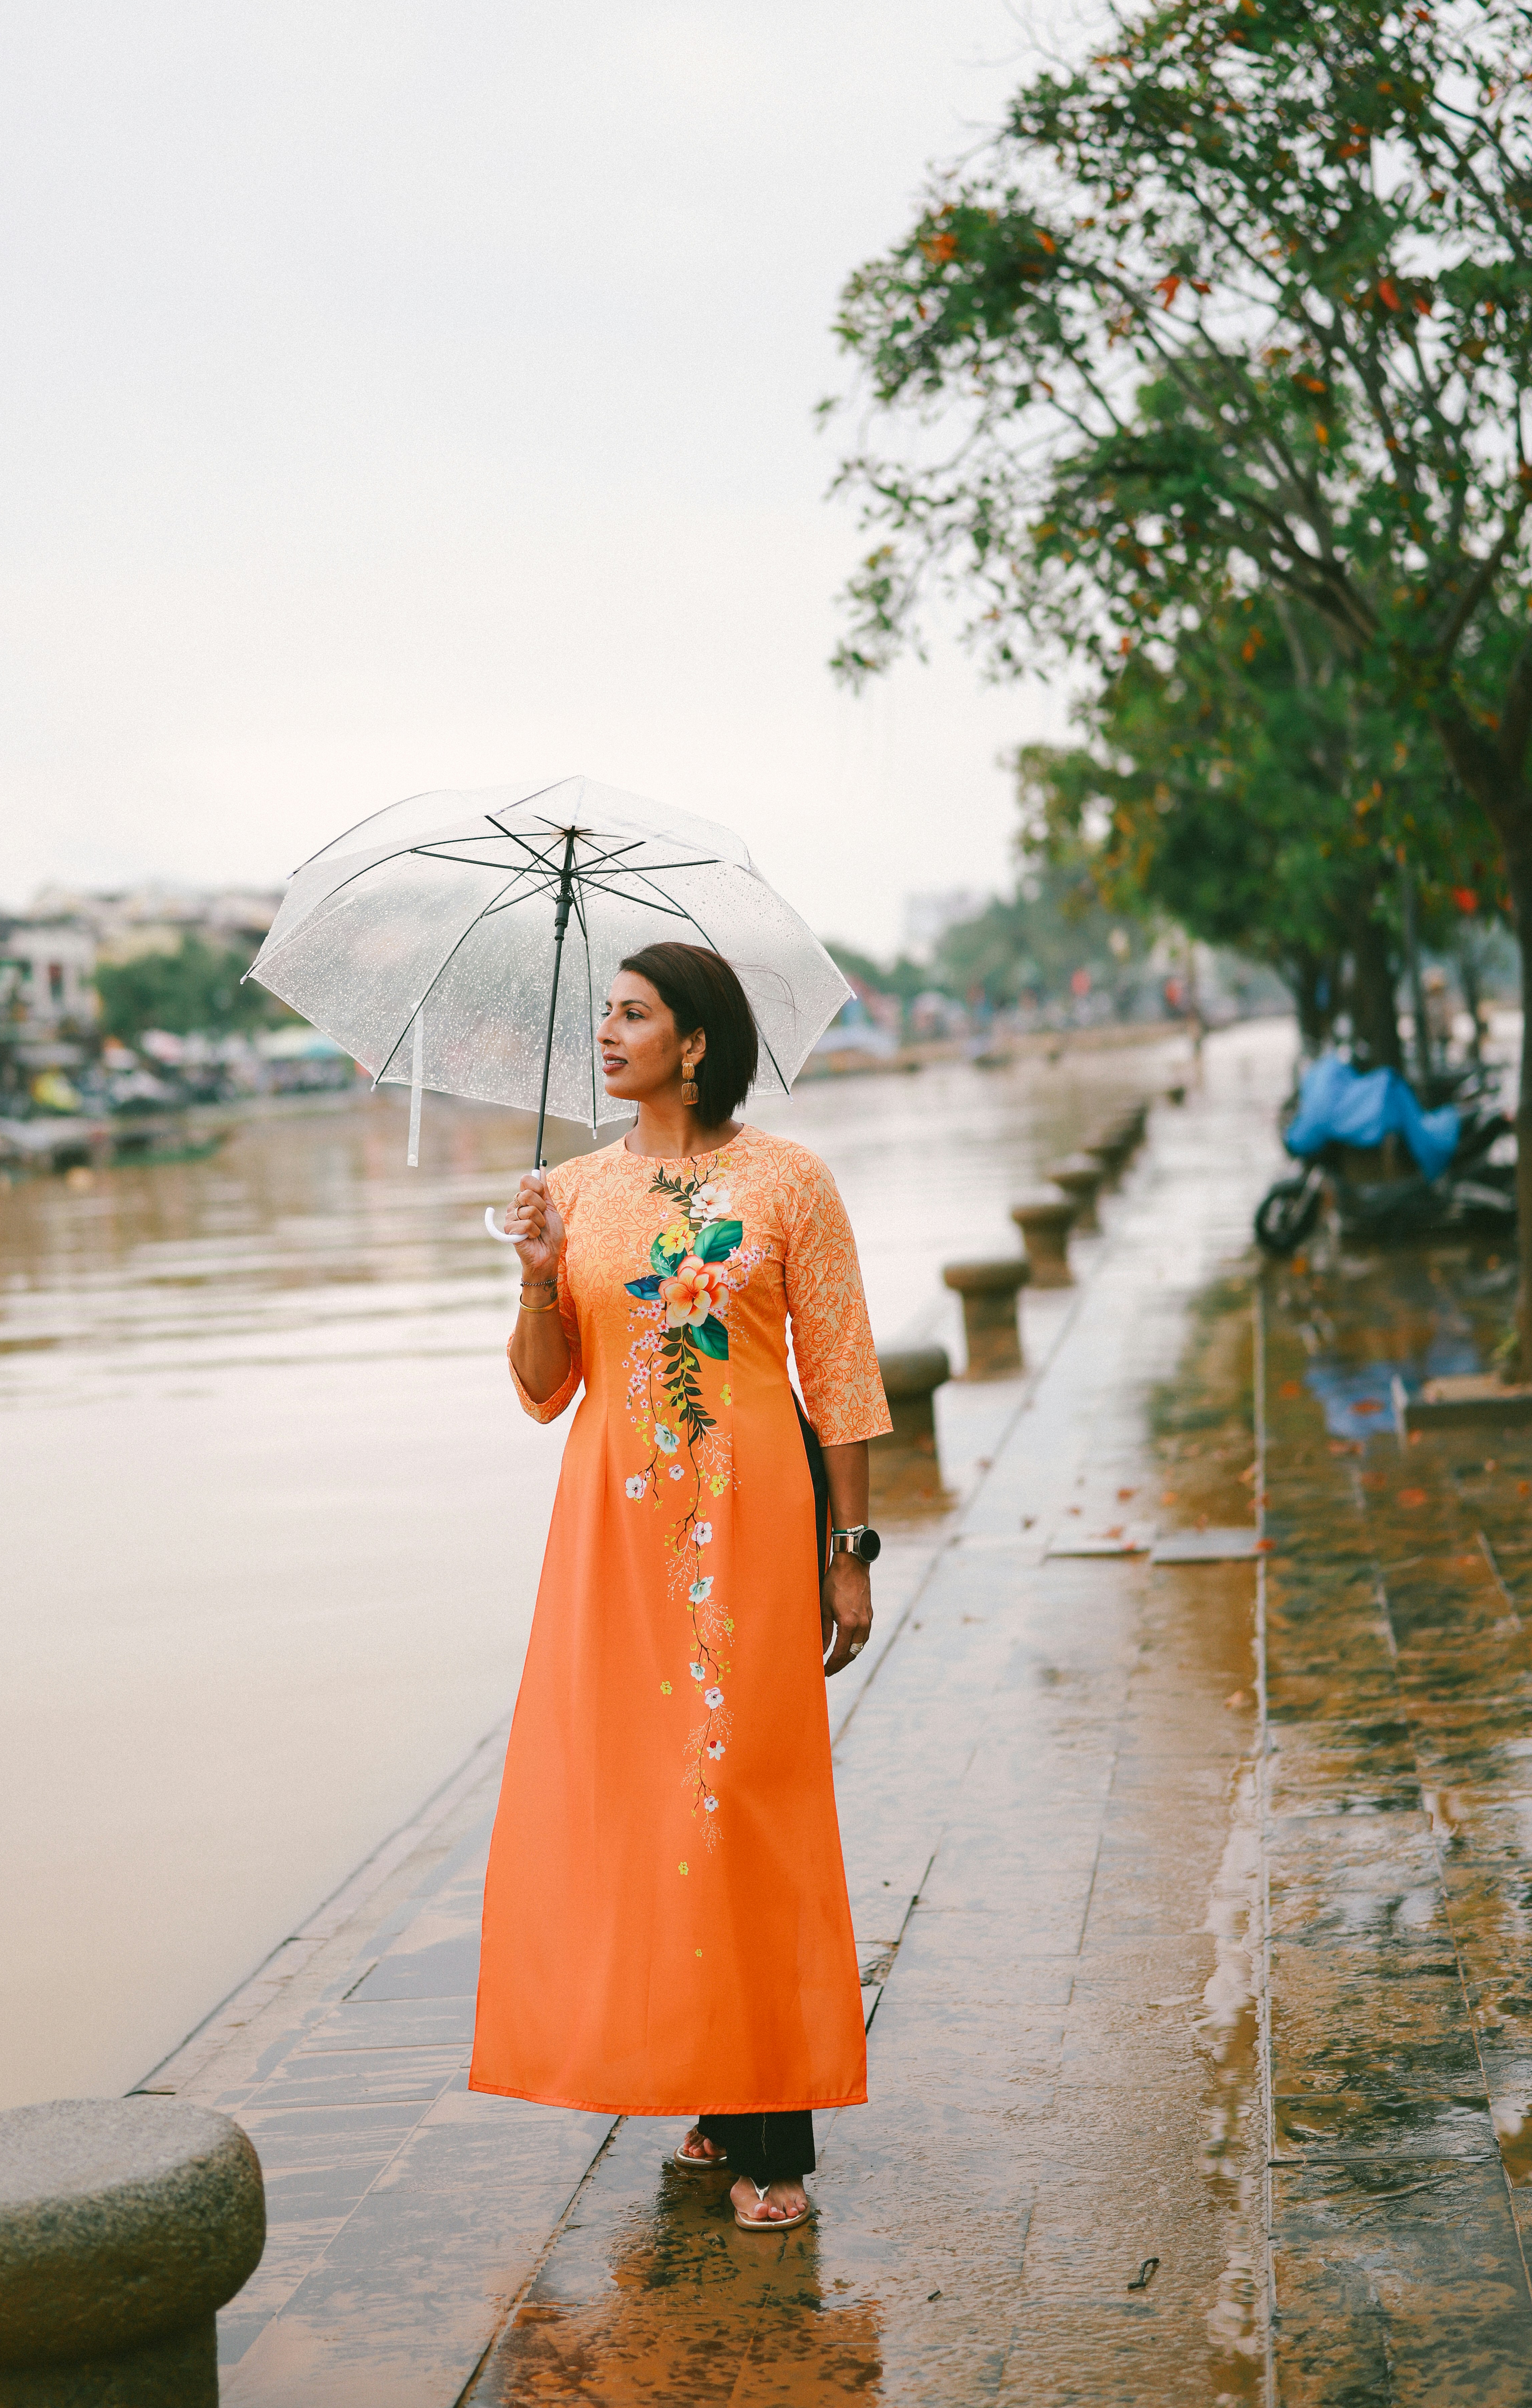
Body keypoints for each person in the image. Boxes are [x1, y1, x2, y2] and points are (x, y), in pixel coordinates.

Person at [469, 942, 891, 2233]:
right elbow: (545, 1389)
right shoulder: (576, 1191)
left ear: (696, 1042)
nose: (608, 1031)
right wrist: (538, 1268)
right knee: (658, 1805)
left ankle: (778, 2135)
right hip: (622, 1541)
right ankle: (709, 2086)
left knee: (747, 1799)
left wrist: (850, 1551)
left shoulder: (787, 1184)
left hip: (758, 1528)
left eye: (635, 1013)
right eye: (605, 1011)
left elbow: (845, 1378)